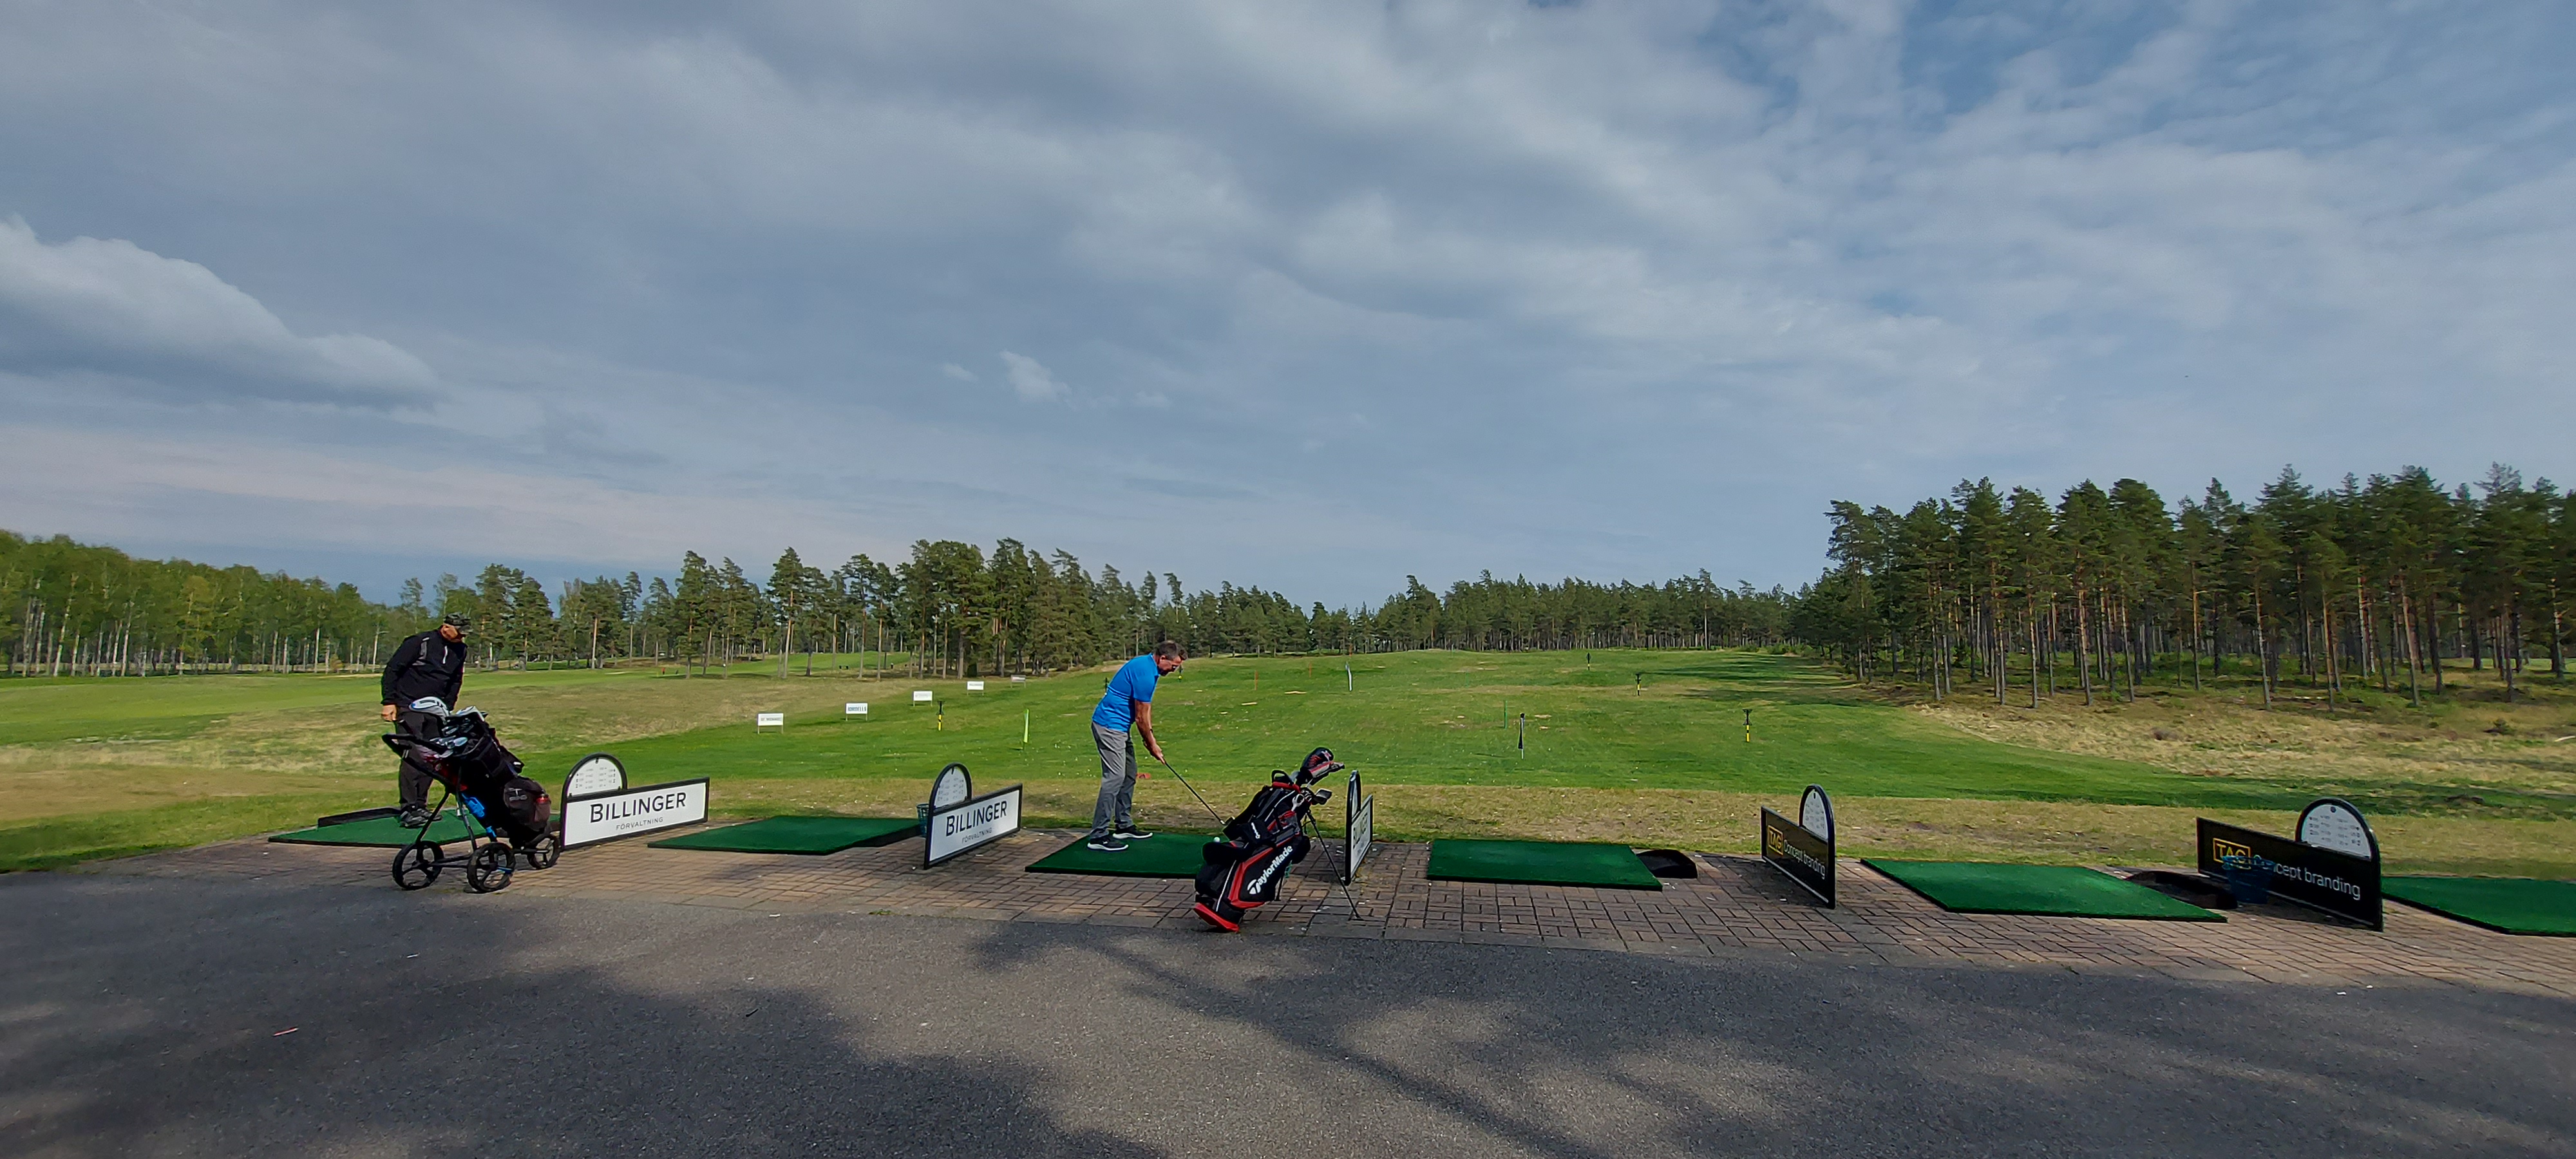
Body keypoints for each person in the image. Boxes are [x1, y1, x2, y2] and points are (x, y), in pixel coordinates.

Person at [1086, 641, 1183, 851]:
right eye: (1173, 666)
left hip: (1120, 727)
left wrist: (1151, 742)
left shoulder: (1148, 667)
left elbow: (1144, 714)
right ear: (1162, 658)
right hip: (1109, 726)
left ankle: (1123, 825)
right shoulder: (1146, 674)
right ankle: (1098, 836)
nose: (1174, 671)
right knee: (1114, 778)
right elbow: (1141, 718)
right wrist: (1153, 746)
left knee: (1130, 774)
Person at [381, 612, 471, 827]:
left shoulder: (461, 649)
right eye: (459, 632)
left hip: (436, 710)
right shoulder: (419, 643)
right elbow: (393, 670)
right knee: (414, 756)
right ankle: (409, 808)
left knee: (433, 757)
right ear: (445, 627)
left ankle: (421, 806)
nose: (462, 637)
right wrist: (389, 701)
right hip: (408, 705)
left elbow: (455, 679)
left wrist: (448, 707)